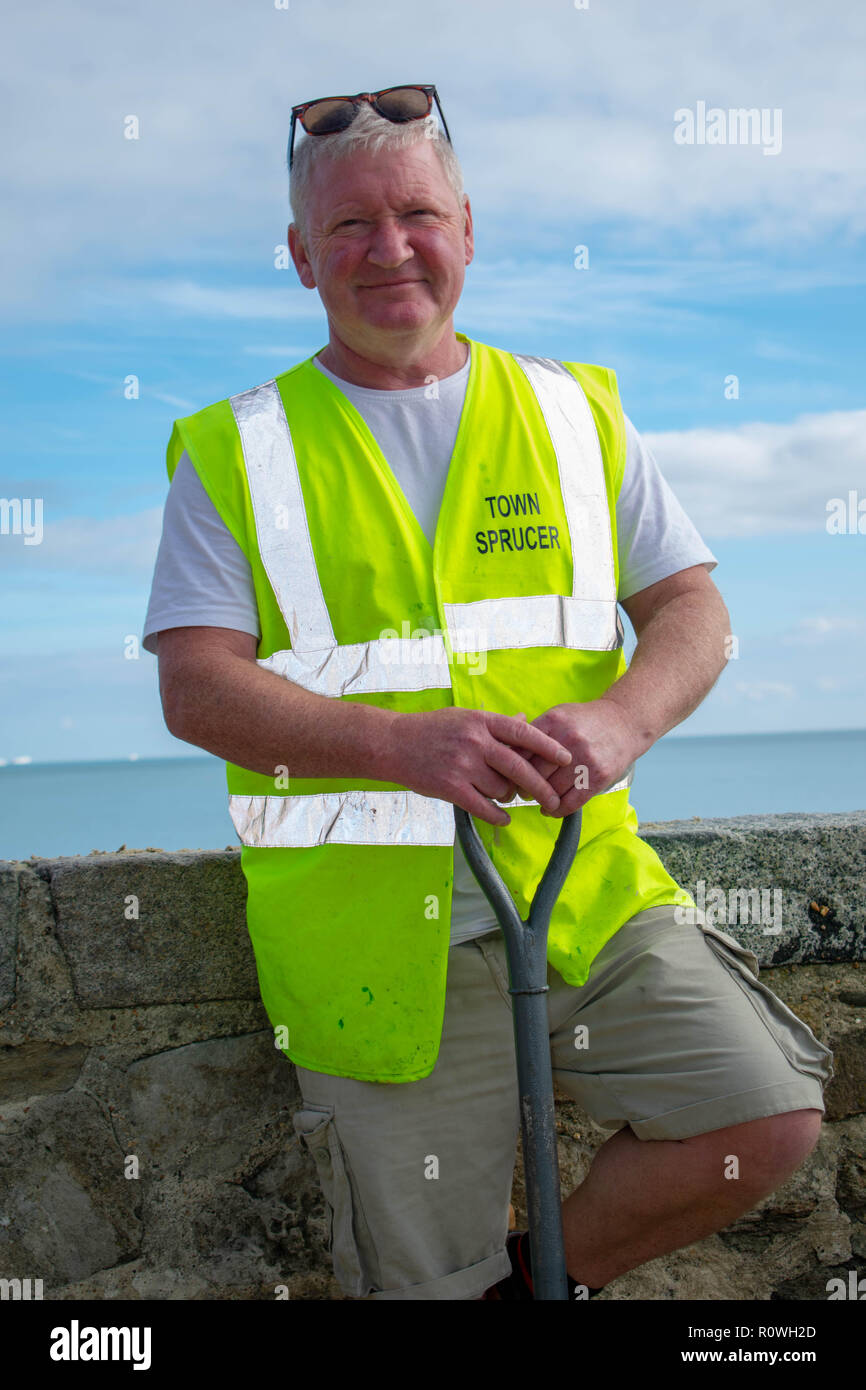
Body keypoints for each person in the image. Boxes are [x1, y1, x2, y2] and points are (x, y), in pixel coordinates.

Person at [142, 85, 834, 1302]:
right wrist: (398, 745)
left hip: (587, 889)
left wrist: (621, 718)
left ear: (467, 227)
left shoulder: (573, 412)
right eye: (348, 227)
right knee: (418, 1277)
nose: (388, 248)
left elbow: (693, 612)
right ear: (301, 257)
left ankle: (532, 1290)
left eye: (416, 213)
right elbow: (196, 688)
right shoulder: (231, 445)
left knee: (760, 1114)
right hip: (366, 934)